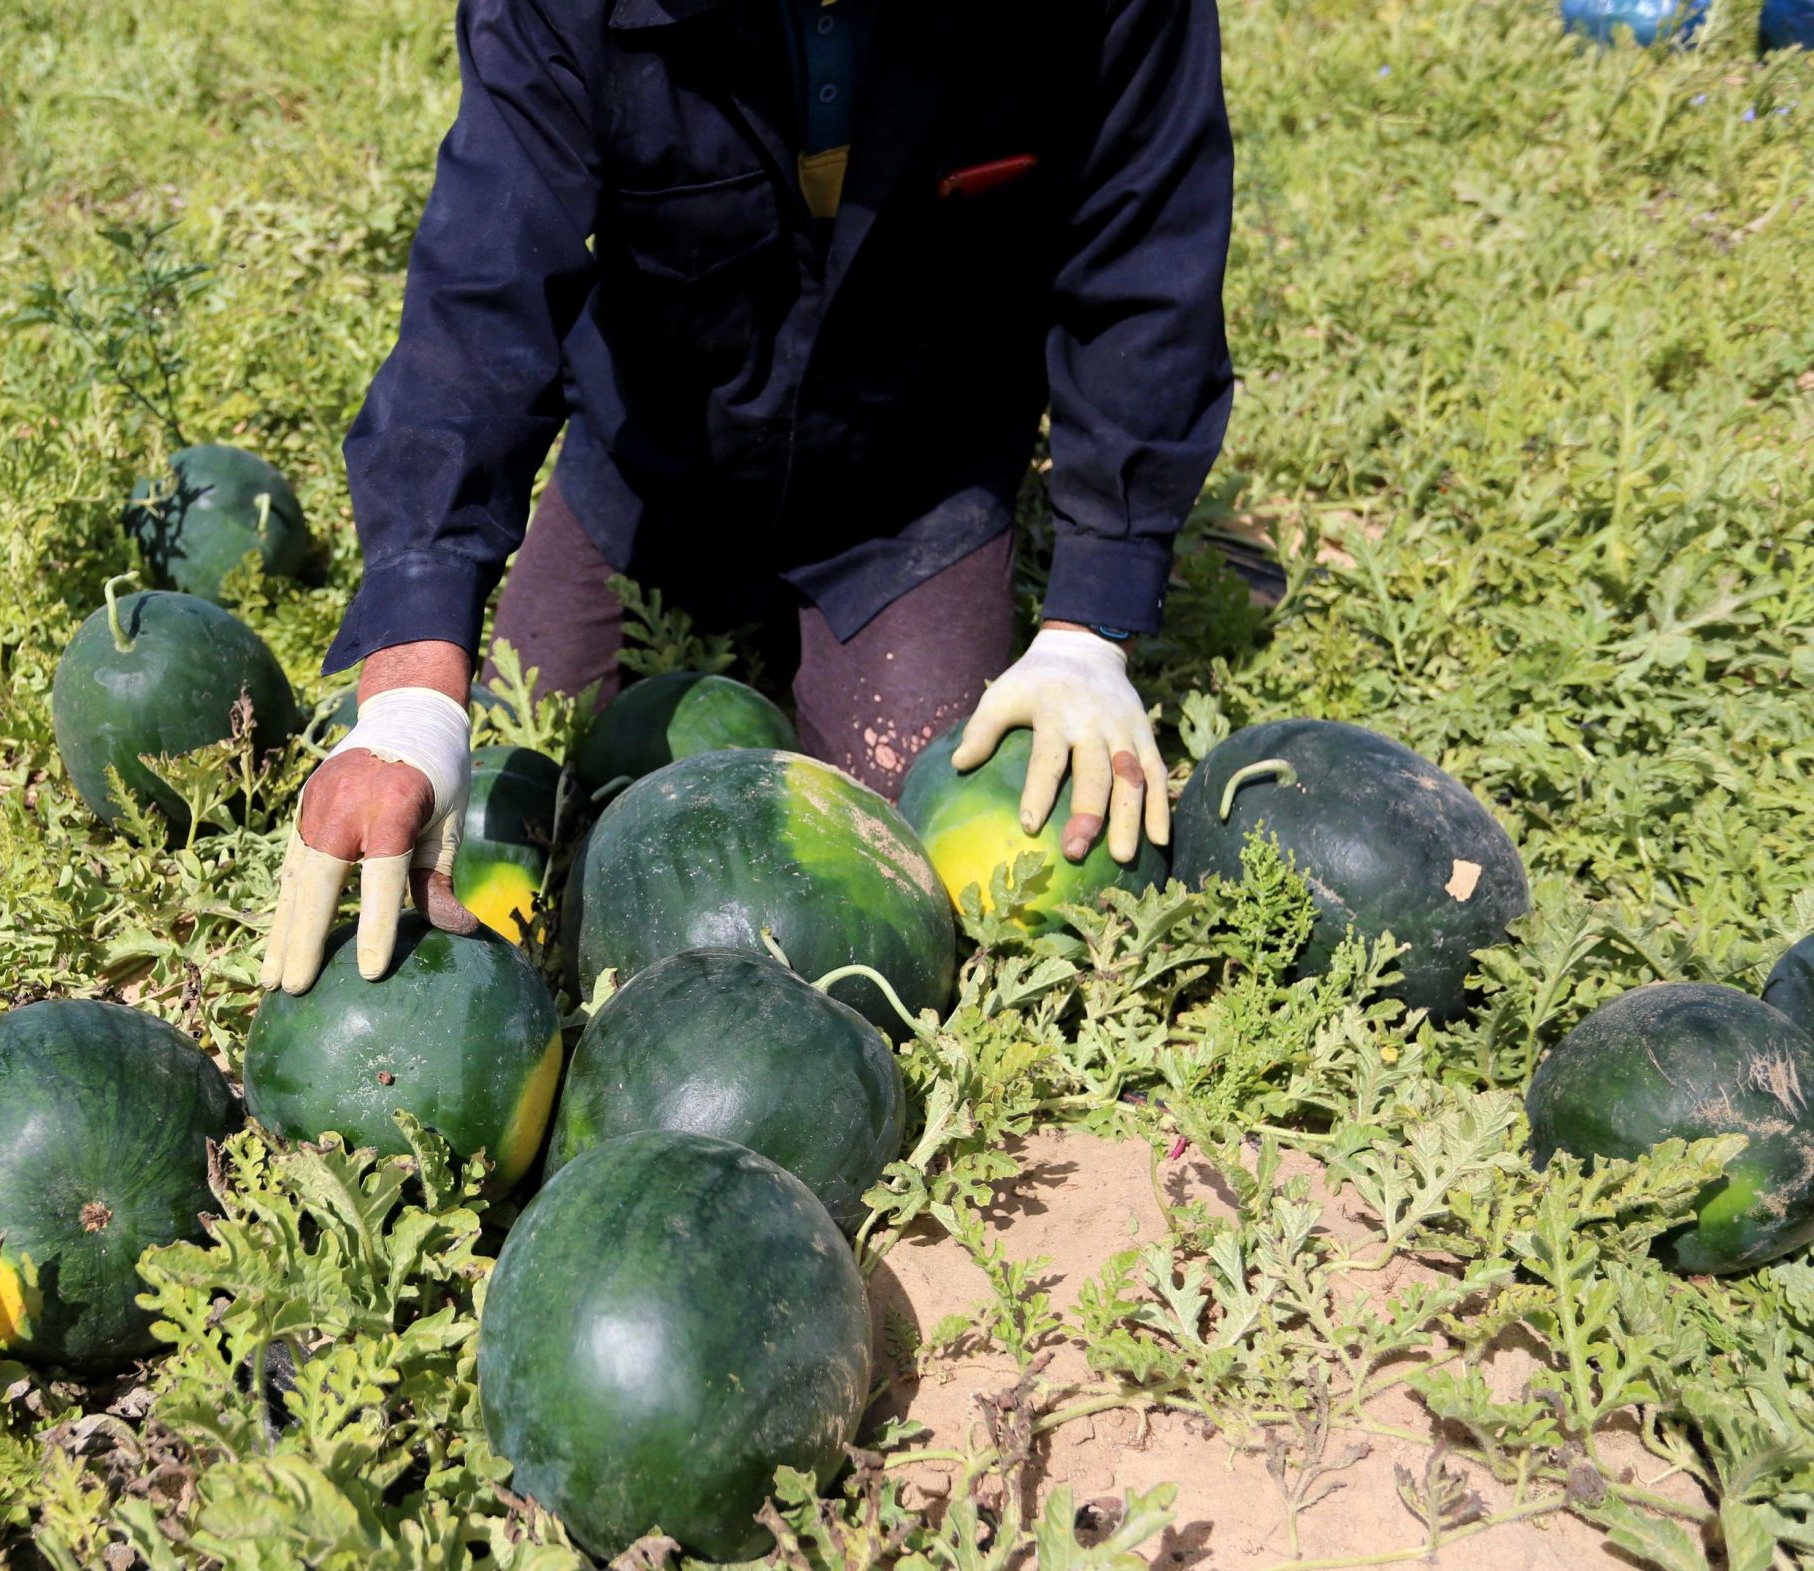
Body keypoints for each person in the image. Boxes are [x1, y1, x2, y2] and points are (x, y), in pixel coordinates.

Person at [262, 0, 1233, 994]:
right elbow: (480, 287)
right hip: (656, 453)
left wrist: (1089, 623)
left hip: (912, 476)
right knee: (530, 749)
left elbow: (1146, 259)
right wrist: (412, 689)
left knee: (914, 861)